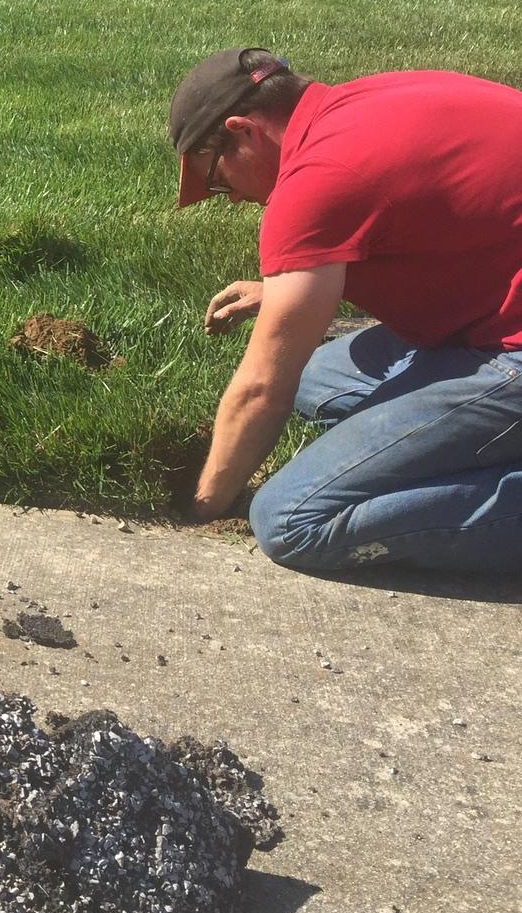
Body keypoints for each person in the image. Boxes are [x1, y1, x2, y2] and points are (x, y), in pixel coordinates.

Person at [169, 47, 522, 572]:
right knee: (317, 382)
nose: (233, 199)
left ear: (242, 130)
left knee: (291, 522)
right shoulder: (372, 98)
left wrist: (203, 508)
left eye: (217, 179)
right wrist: (287, 289)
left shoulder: (317, 180)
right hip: (491, 301)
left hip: (510, 349)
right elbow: (452, 216)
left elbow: (264, 389)